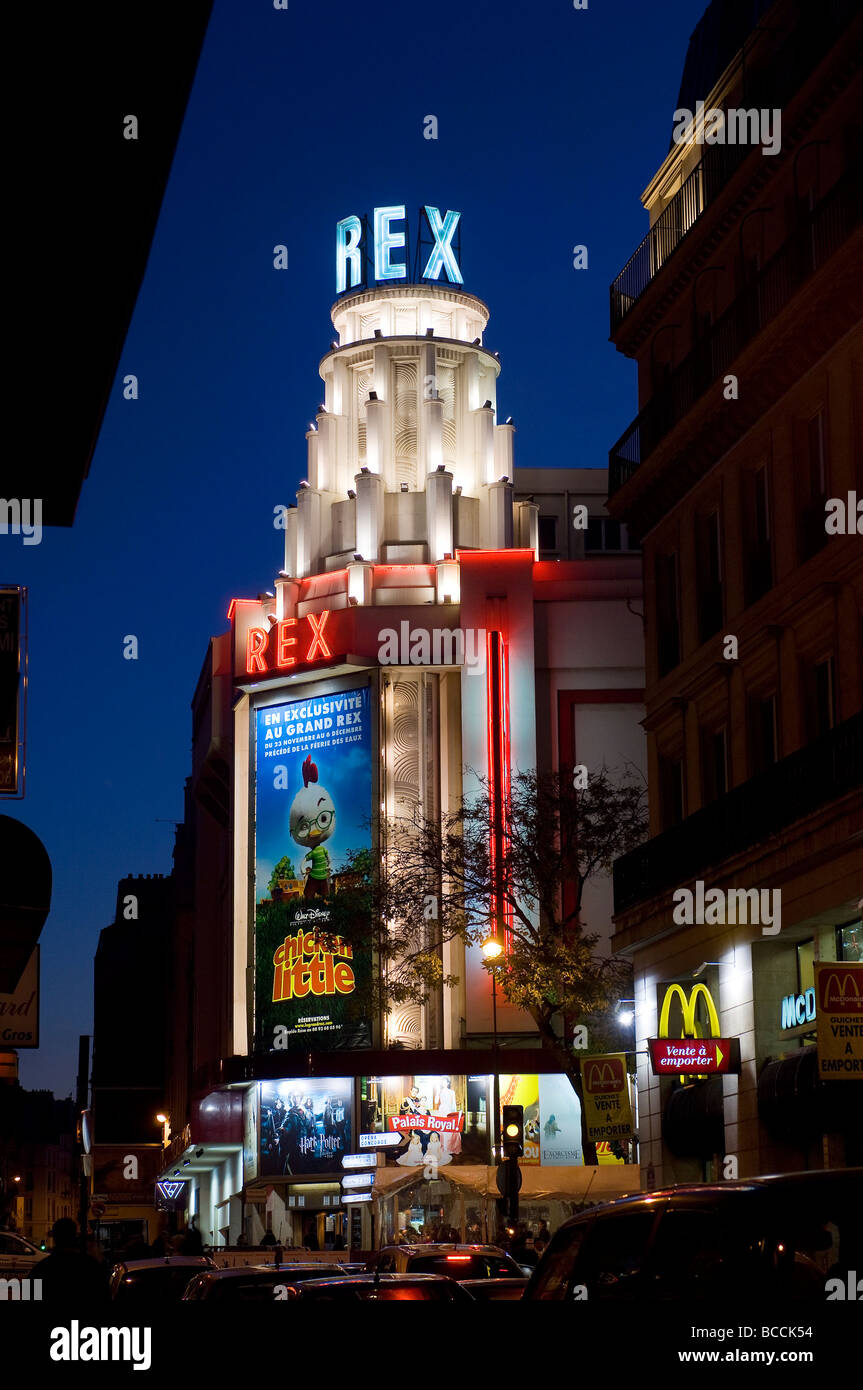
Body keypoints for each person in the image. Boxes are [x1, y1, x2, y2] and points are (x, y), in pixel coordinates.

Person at [37, 1218, 110, 1305]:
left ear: (55, 1237)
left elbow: (27, 1296)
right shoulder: (90, 1266)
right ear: (75, 1237)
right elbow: (104, 1295)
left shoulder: (41, 1268)